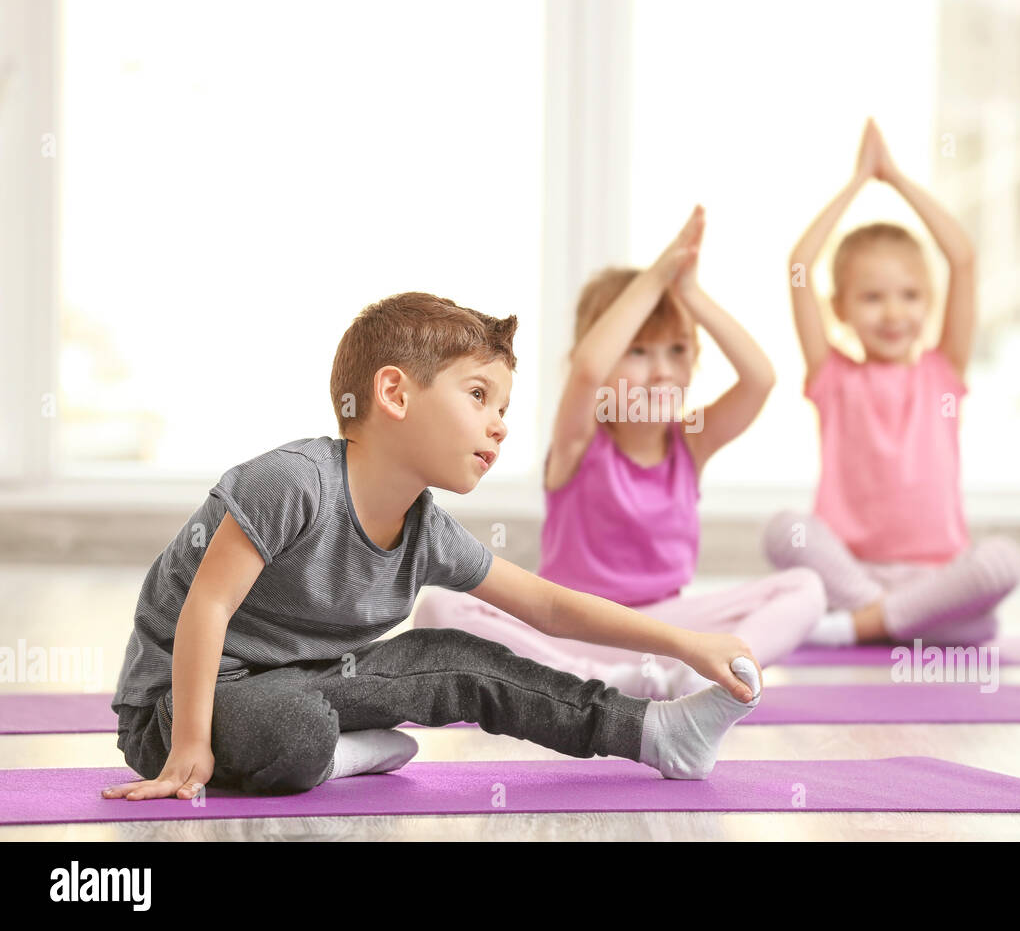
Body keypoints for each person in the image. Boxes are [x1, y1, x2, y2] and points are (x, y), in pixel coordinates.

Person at [104, 285, 763, 801]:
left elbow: (550, 609)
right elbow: (207, 607)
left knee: (453, 656)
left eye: (503, 409)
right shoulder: (292, 483)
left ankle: (654, 734)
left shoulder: (428, 531)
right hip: (176, 710)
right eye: (479, 396)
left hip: (312, 688)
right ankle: (340, 752)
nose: (498, 426)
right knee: (292, 727)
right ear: (393, 392)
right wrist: (189, 743)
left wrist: (686, 644)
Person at [415, 206, 824, 697]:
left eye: (676, 351)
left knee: (806, 588)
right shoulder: (578, 441)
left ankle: (697, 676)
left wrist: (689, 291)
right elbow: (588, 369)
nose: (662, 371)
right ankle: (601, 681)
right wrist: (658, 274)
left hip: (662, 632)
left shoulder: (690, 442)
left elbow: (760, 378)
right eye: (638, 351)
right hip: (571, 626)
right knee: (440, 608)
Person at [763, 118, 1020, 647]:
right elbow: (799, 265)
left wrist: (897, 179)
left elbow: (963, 259)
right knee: (784, 529)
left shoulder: (942, 372)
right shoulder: (832, 376)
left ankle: (862, 626)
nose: (893, 313)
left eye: (909, 295)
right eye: (871, 297)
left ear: (929, 303)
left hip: (933, 575)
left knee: (1003, 562)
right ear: (840, 308)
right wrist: (858, 183)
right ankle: (889, 619)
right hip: (850, 572)